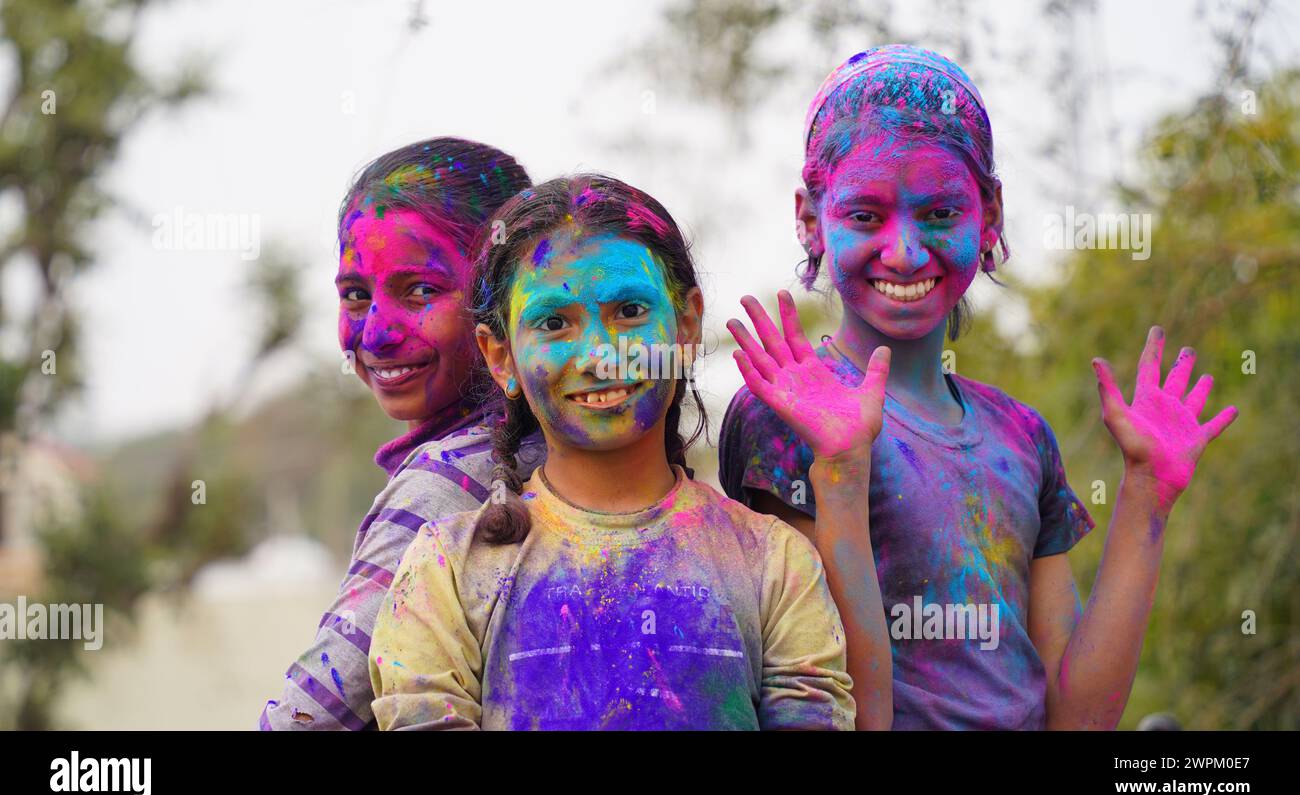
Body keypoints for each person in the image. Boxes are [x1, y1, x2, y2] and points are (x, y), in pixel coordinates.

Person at [720, 45, 1238, 729]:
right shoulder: (785, 415)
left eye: (939, 213)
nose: (904, 251)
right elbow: (840, 708)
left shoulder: (1020, 437)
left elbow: (1080, 716)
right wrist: (841, 470)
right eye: (866, 216)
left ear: (988, 213)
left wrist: (1146, 493)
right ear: (812, 218)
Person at [367, 174, 883, 730]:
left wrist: (843, 469)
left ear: (686, 326)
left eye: (630, 312)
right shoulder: (446, 572)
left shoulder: (773, 564)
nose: (600, 354)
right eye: (553, 322)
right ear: (501, 358)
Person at [259, 138, 542, 730]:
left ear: (505, 299)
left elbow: (308, 718)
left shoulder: (449, 483)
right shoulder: (559, 448)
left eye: (421, 291)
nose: (378, 334)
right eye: (357, 295)